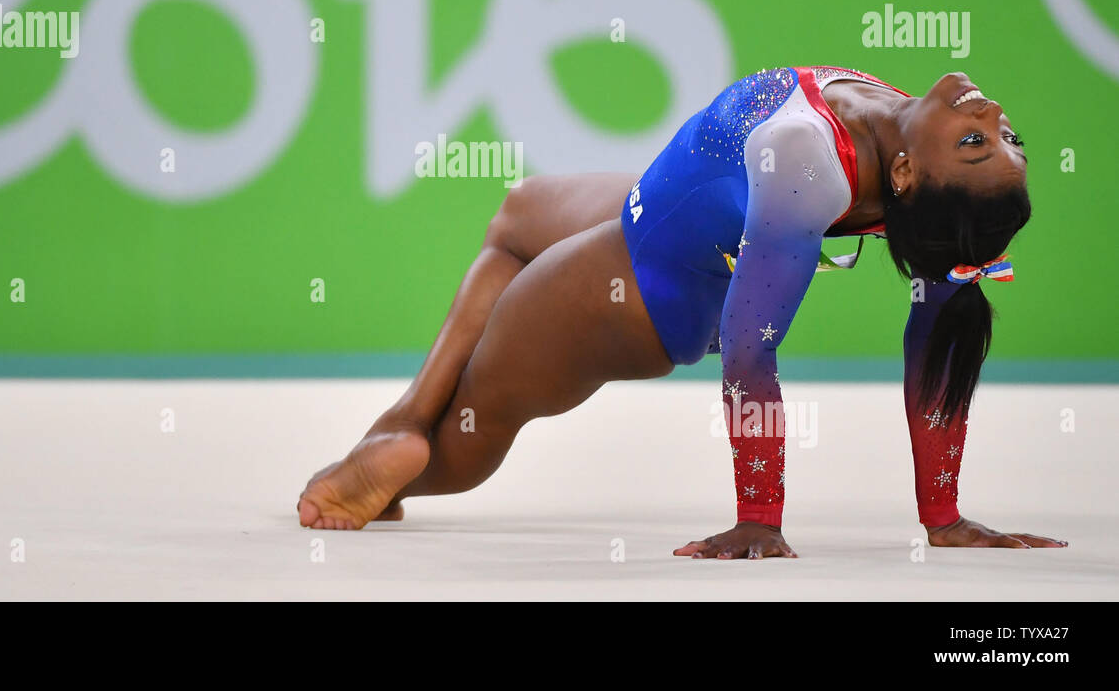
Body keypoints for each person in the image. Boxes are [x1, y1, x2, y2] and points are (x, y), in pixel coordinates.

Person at [297, 66, 1067, 557]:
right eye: (1003, 138)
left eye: (975, 142)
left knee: (482, 413)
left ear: (905, 174)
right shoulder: (897, 127)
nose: (992, 110)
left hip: (638, 284)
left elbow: (747, 347)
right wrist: (941, 514)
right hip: (657, 204)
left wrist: (759, 515)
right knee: (516, 214)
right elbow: (944, 294)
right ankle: (401, 419)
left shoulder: (808, 159)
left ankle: (403, 470)